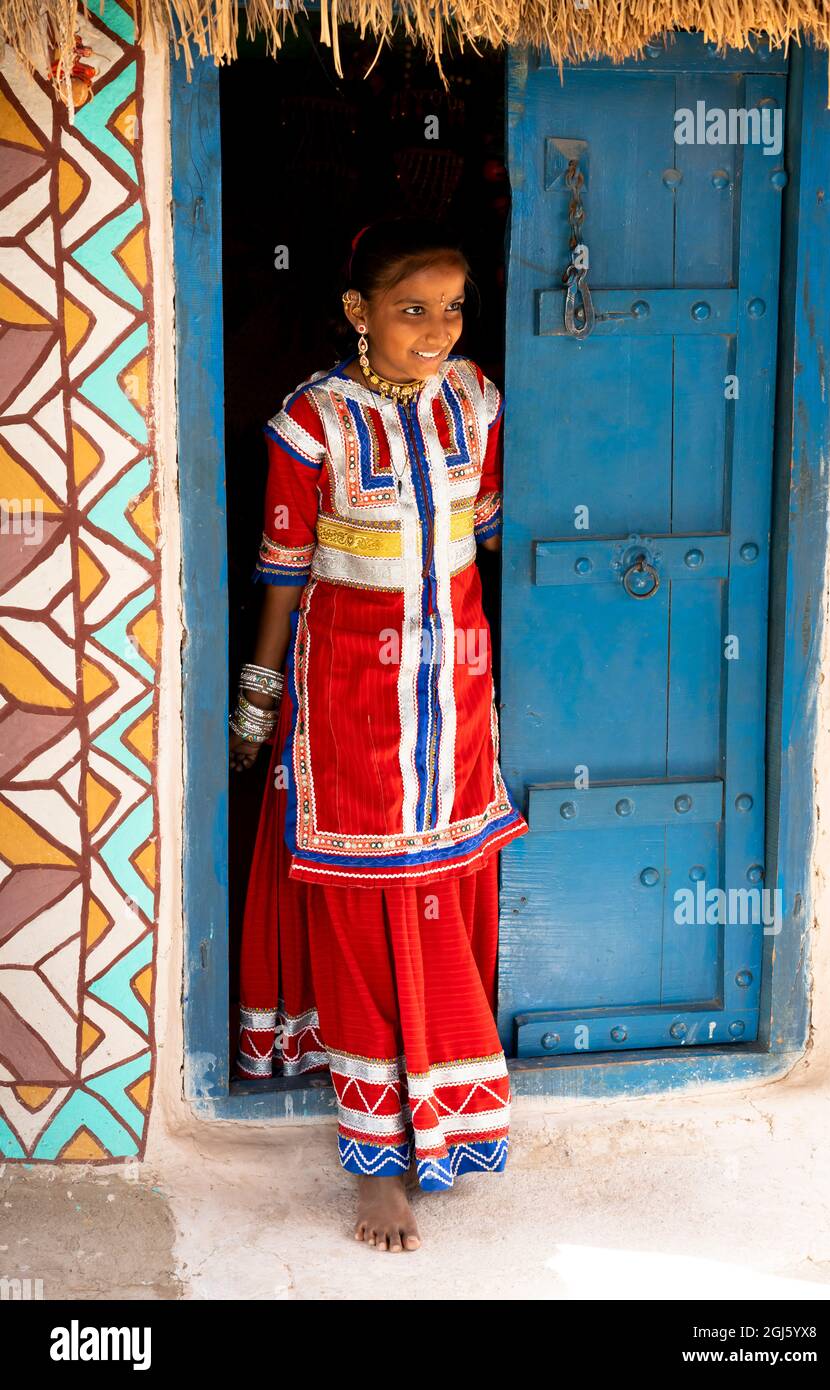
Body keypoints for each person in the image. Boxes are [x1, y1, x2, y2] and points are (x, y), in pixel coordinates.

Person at [230, 215, 529, 1253]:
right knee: (366, 909)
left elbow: (490, 543)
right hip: (352, 704)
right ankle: (379, 1161)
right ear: (358, 312)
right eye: (412, 311)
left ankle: (447, 1110)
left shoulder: (476, 400)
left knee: (443, 892)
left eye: (451, 309)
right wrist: (258, 699)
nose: (437, 330)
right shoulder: (311, 426)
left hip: (454, 700)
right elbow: (280, 578)